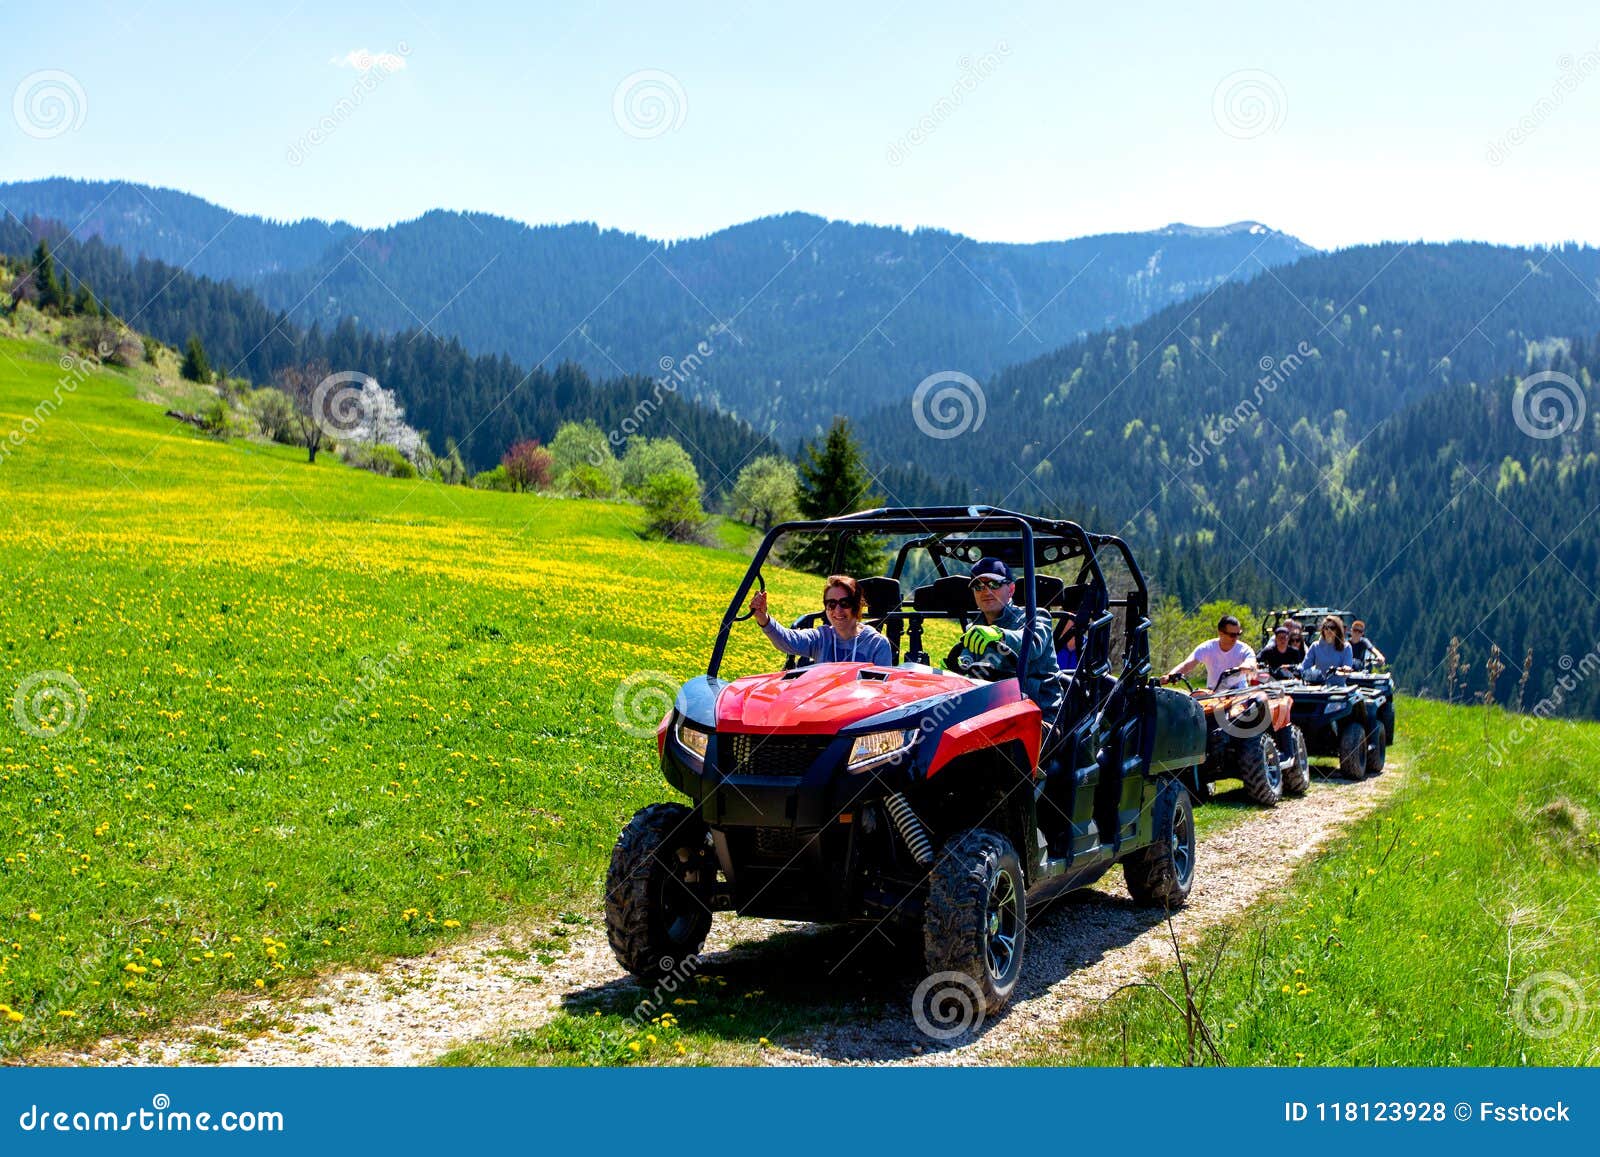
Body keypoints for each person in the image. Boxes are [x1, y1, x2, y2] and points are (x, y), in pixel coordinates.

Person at [953, 557, 1063, 716]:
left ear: (1011, 589)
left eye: (994, 585)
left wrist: (1000, 634)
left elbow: (1032, 645)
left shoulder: (1036, 617)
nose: (986, 592)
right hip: (989, 713)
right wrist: (957, 667)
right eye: (978, 586)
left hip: (1039, 714)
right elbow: (966, 663)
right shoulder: (974, 629)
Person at [750, 574, 892, 666]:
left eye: (845, 603)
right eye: (831, 604)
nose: (837, 610)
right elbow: (788, 640)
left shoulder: (877, 644)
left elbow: (882, 693)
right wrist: (763, 618)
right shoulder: (821, 638)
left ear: (857, 605)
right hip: (823, 708)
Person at [1162, 615, 1258, 691]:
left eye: (1238, 634)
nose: (1236, 638)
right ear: (1220, 633)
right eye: (1232, 635)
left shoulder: (1244, 649)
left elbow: (1251, 662)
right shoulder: (1207, 647)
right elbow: (1188, 665)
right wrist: (1170, 676)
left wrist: (1247, 666)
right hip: (1214, 695)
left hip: (1238, 694)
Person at [1300, 614, 1356, 686]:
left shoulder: (1346, 647)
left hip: (1338, 688)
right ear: (1323, 630)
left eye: (1332, 628)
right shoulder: (1315, 646)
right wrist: (1295, 670)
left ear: (1337, 630)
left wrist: (1345, 669)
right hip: (1319, 687)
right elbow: (1305, 666)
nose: (1329, 630)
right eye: (1326, 627)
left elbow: (1348, 667)